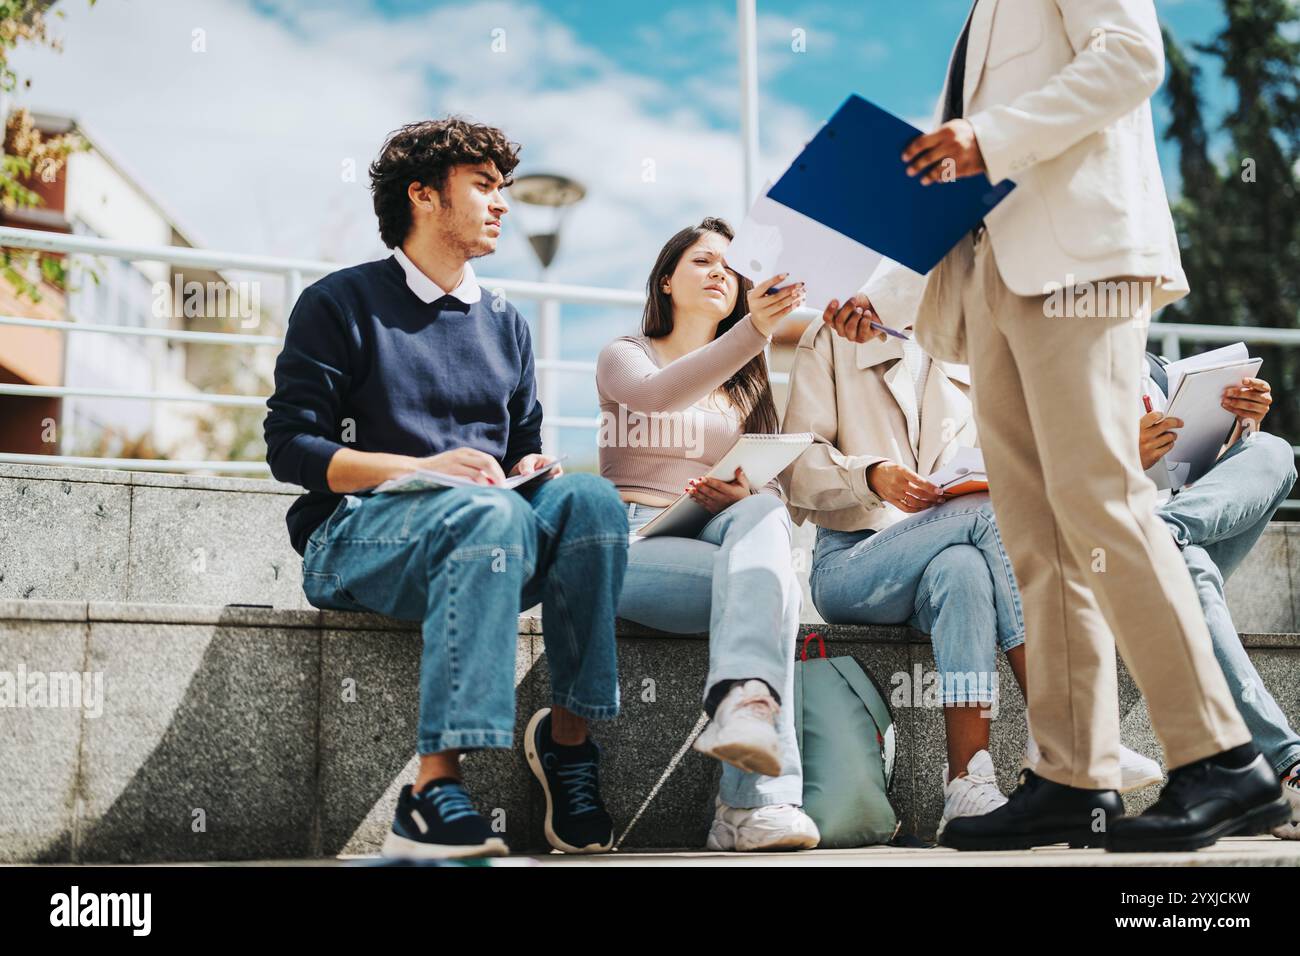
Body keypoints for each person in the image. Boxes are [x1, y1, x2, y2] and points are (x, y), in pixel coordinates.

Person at [823, 0, 1287, 852]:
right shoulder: (978, 24)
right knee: (1035, 532)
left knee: (1101, 500)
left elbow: (1130, 58)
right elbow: (945, 188)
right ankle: (1075, 780)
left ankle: (1221, 757)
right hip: (991, 290)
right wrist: (880, 299)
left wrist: (987, 137)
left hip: (1084, 266)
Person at [264, 118, 629, 860]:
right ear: (423, 196)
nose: (502, 204)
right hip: (357, 536)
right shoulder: (339, 303)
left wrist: (532, 472)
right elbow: (290, 448)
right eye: (485, 187)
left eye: (505, 190)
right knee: (484, 512)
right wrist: (422, 469)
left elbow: (522, 450)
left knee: (591, 501)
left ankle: (568, 749)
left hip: (484, 530)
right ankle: (432, 792)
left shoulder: (505, 324)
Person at [596, 217, 819, 851]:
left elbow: (771, 488)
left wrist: (748, 494)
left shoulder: (748, 383)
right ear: (666, 281)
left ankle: (742, 714)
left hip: (722, 546)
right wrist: (756, 330)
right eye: (702, 261)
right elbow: (656, 397)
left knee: (765, 520)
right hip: (633, 545)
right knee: (770, 586)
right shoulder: (626, 353)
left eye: (730, 264)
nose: (721, 271)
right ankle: (755, 807)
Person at [1136, 354, 1300, 838]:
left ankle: (1159, 536)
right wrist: (1124, 456)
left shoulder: (1158, 369)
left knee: (1271, 449)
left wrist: (1239, 426)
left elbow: (1192, 473)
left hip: (1172, 526)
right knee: (1188, 566)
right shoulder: (1049, 373)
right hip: (1099, 558)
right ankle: (1289, 766)